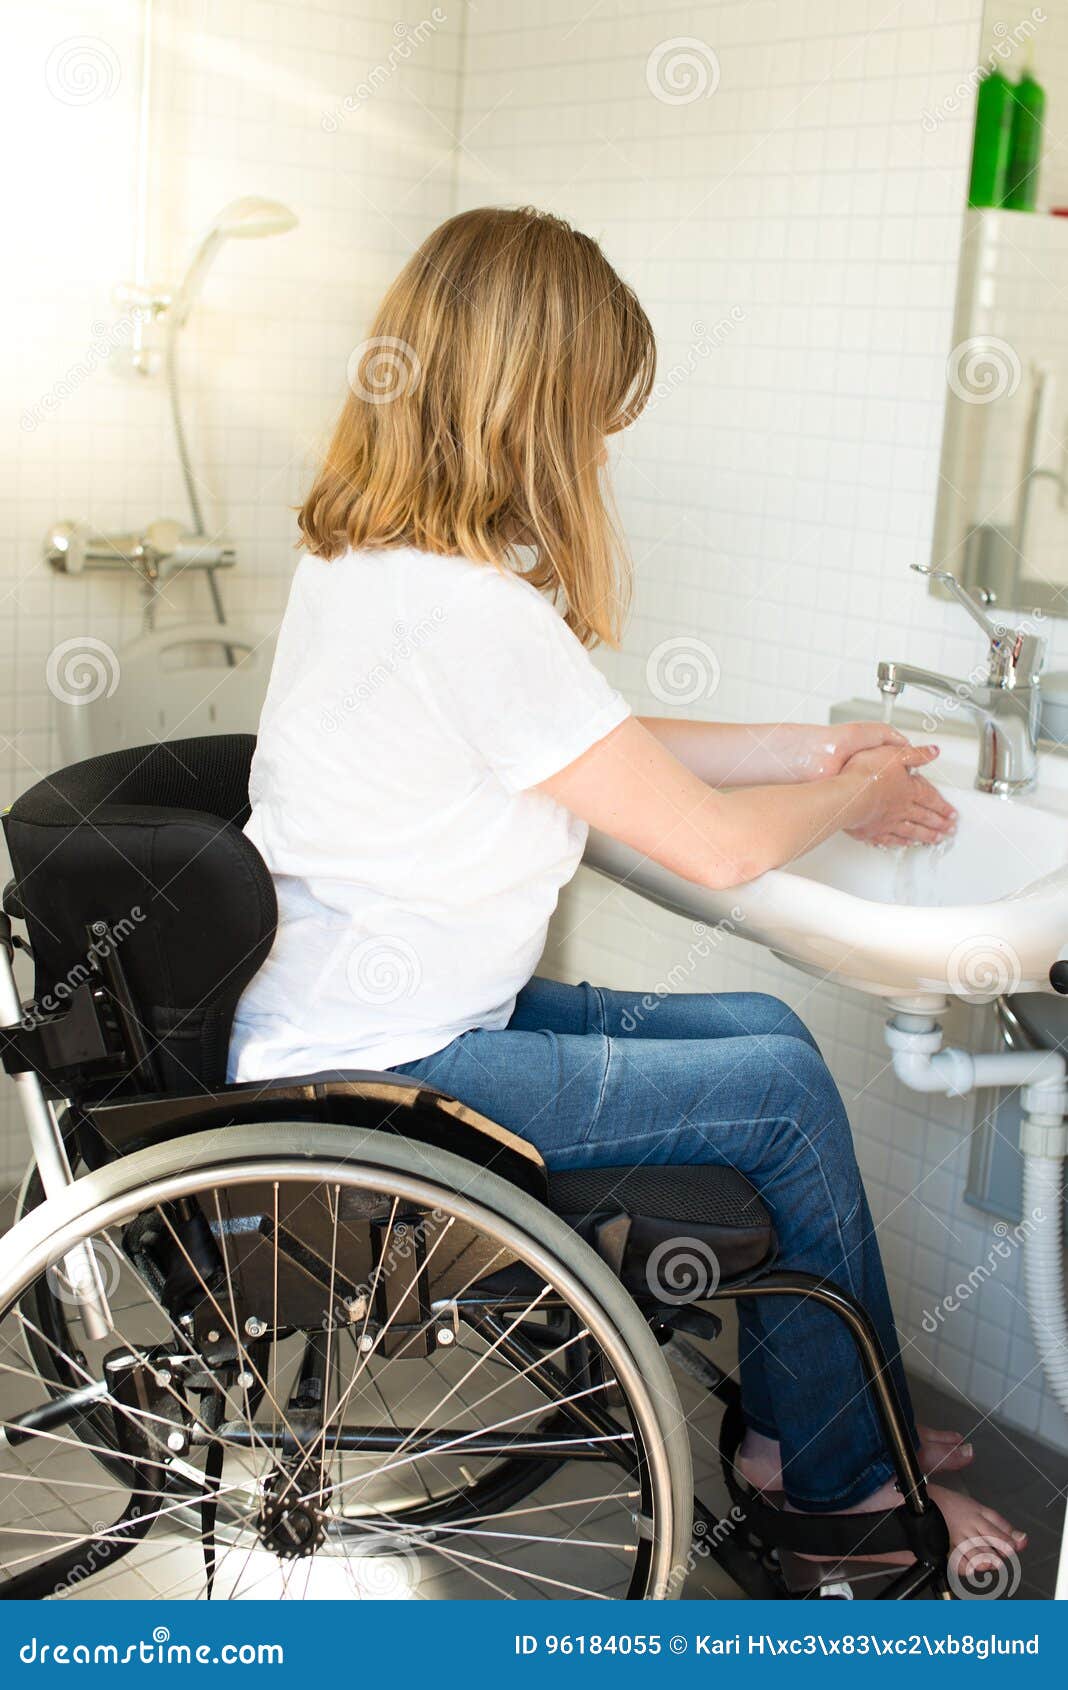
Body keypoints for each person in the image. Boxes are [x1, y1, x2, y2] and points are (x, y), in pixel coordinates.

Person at [230, 205, 1024, 1577]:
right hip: (396, 1064)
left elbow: (587, 737)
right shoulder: (471, 608)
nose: (601, 447)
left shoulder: (373, 563)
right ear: (533, 404)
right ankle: (835, 1478)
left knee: (764, 1044)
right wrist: (850, 793)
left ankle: (829, 1417)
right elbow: (714, 848)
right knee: (783, 1089)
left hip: (360, 1019)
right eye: (594, 411)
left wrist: (804, 746)